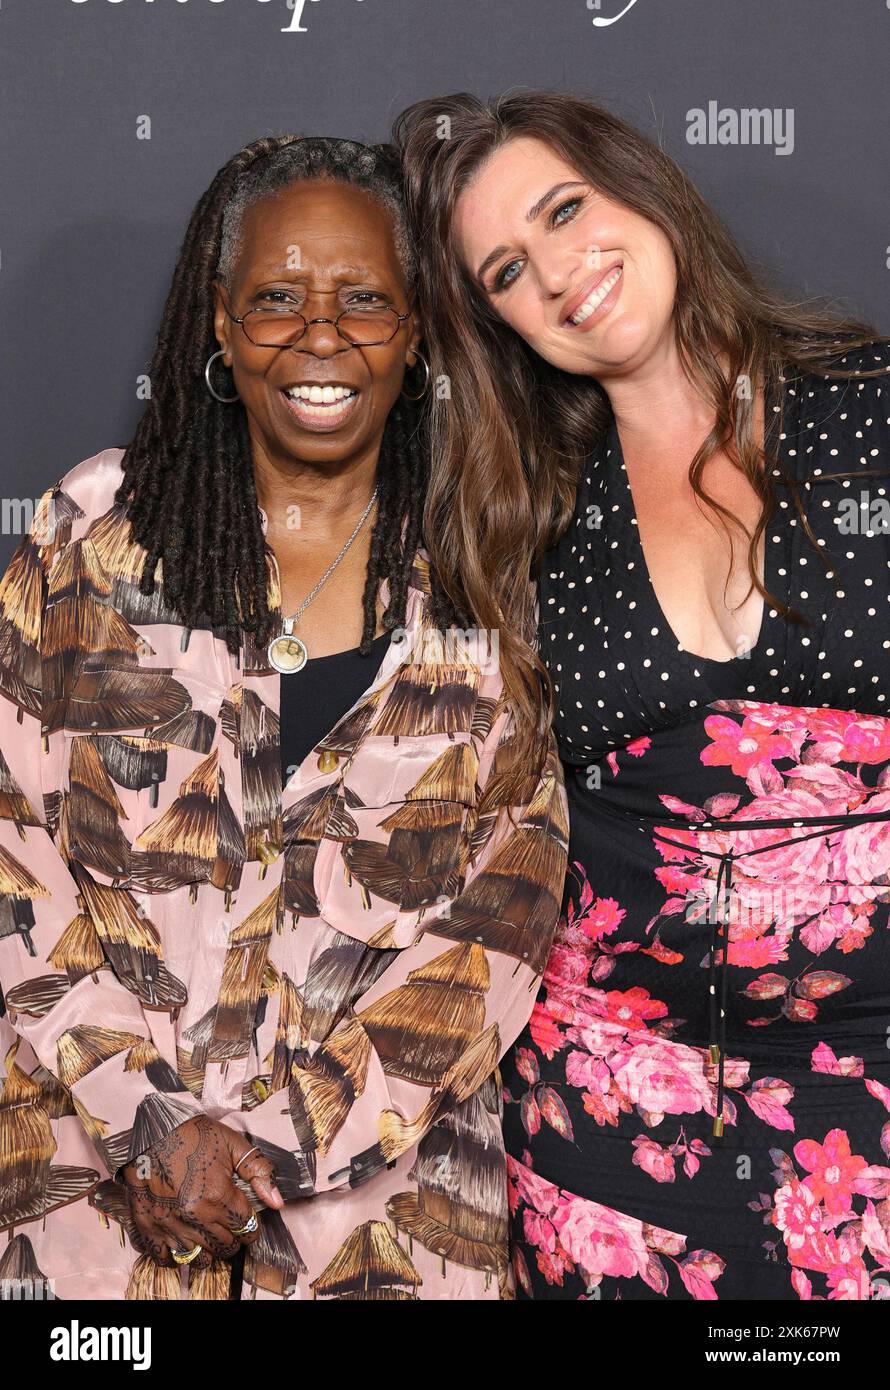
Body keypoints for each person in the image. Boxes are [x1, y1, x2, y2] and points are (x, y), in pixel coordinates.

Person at [0, 134, 567, 1301]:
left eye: (364, 299)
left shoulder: (480, 557)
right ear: (219, 323)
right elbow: (15, 848)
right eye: (276, 298)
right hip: (102, 1218)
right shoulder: (92, 538)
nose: (321, 334)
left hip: (382, 1231)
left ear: (414, 333)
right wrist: (148, 1122)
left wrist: (275, 1147)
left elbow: (508, 894)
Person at [395, 88, 890, 1300]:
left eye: (566, 210)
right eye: (508, 270)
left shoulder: (868, 404)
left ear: (644, 189)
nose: (560, 272)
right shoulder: (521, 521)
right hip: (623, 1130)